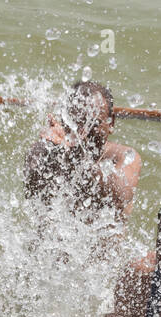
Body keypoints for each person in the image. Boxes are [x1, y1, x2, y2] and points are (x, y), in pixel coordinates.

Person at [25, 81, 141, 225]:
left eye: (94, 124)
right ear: (64, 120)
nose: (84, 133)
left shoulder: (124, 156)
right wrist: (54, 154)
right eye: (78, 122)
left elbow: (121, 195)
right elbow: (31, 191)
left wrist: (77, 158)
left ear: (111, 124)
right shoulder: (47, 149)